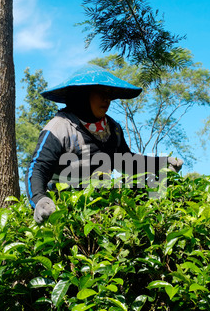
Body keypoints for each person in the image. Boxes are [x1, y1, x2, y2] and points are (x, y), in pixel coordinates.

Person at [25, 64, 183, 223]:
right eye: (100, 93)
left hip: (101, 209)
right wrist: (40, 200)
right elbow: (38, 167)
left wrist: (161, 164)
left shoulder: (112, 129)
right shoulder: (60, 127)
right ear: (82, 95)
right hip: (64, 210)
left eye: (109, 94)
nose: (107, 99)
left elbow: (126, 162)